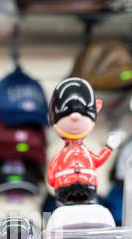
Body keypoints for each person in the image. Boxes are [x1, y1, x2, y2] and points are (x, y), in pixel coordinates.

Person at [46, 78, 112, 206]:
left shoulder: (86, 151)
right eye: (67, 113)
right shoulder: (60, 153)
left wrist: (109, 147)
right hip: (64, 187)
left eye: (82, 112)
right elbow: (51, 174)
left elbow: (98, 159)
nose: (75, 117)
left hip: (88, 186)